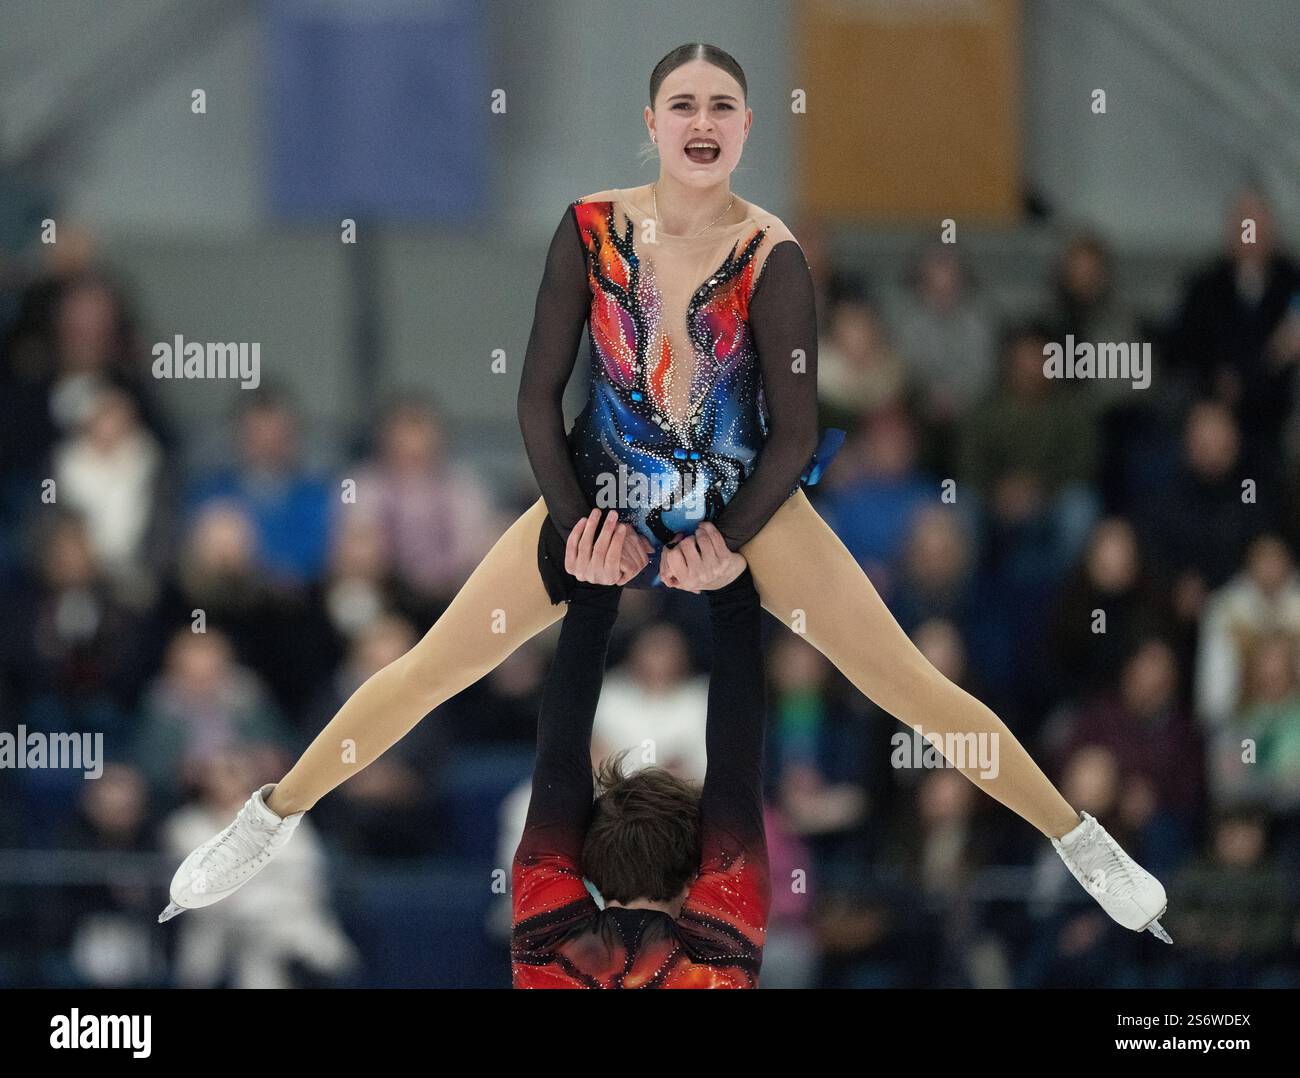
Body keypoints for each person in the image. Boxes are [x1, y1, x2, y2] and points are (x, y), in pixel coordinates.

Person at [159, 43, 1170, 947]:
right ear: (650, 123)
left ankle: (1082, 842)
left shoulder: (772, 255)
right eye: (681, 104)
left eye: (721, 106)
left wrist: (729, 540)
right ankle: (267, 816)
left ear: (744, 128)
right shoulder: (590, 228)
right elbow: (534, 396)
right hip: (600, 483)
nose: (700, 122)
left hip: (746, 499)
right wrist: (575, 524)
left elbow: (798, 428)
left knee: (908, 686)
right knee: (432, 667)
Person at [512, 512, 768, 987]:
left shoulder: (718, 950)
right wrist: (595, 589)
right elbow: (561, 758)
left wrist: (733, 598)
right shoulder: (714, 955)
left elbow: (736, 768)